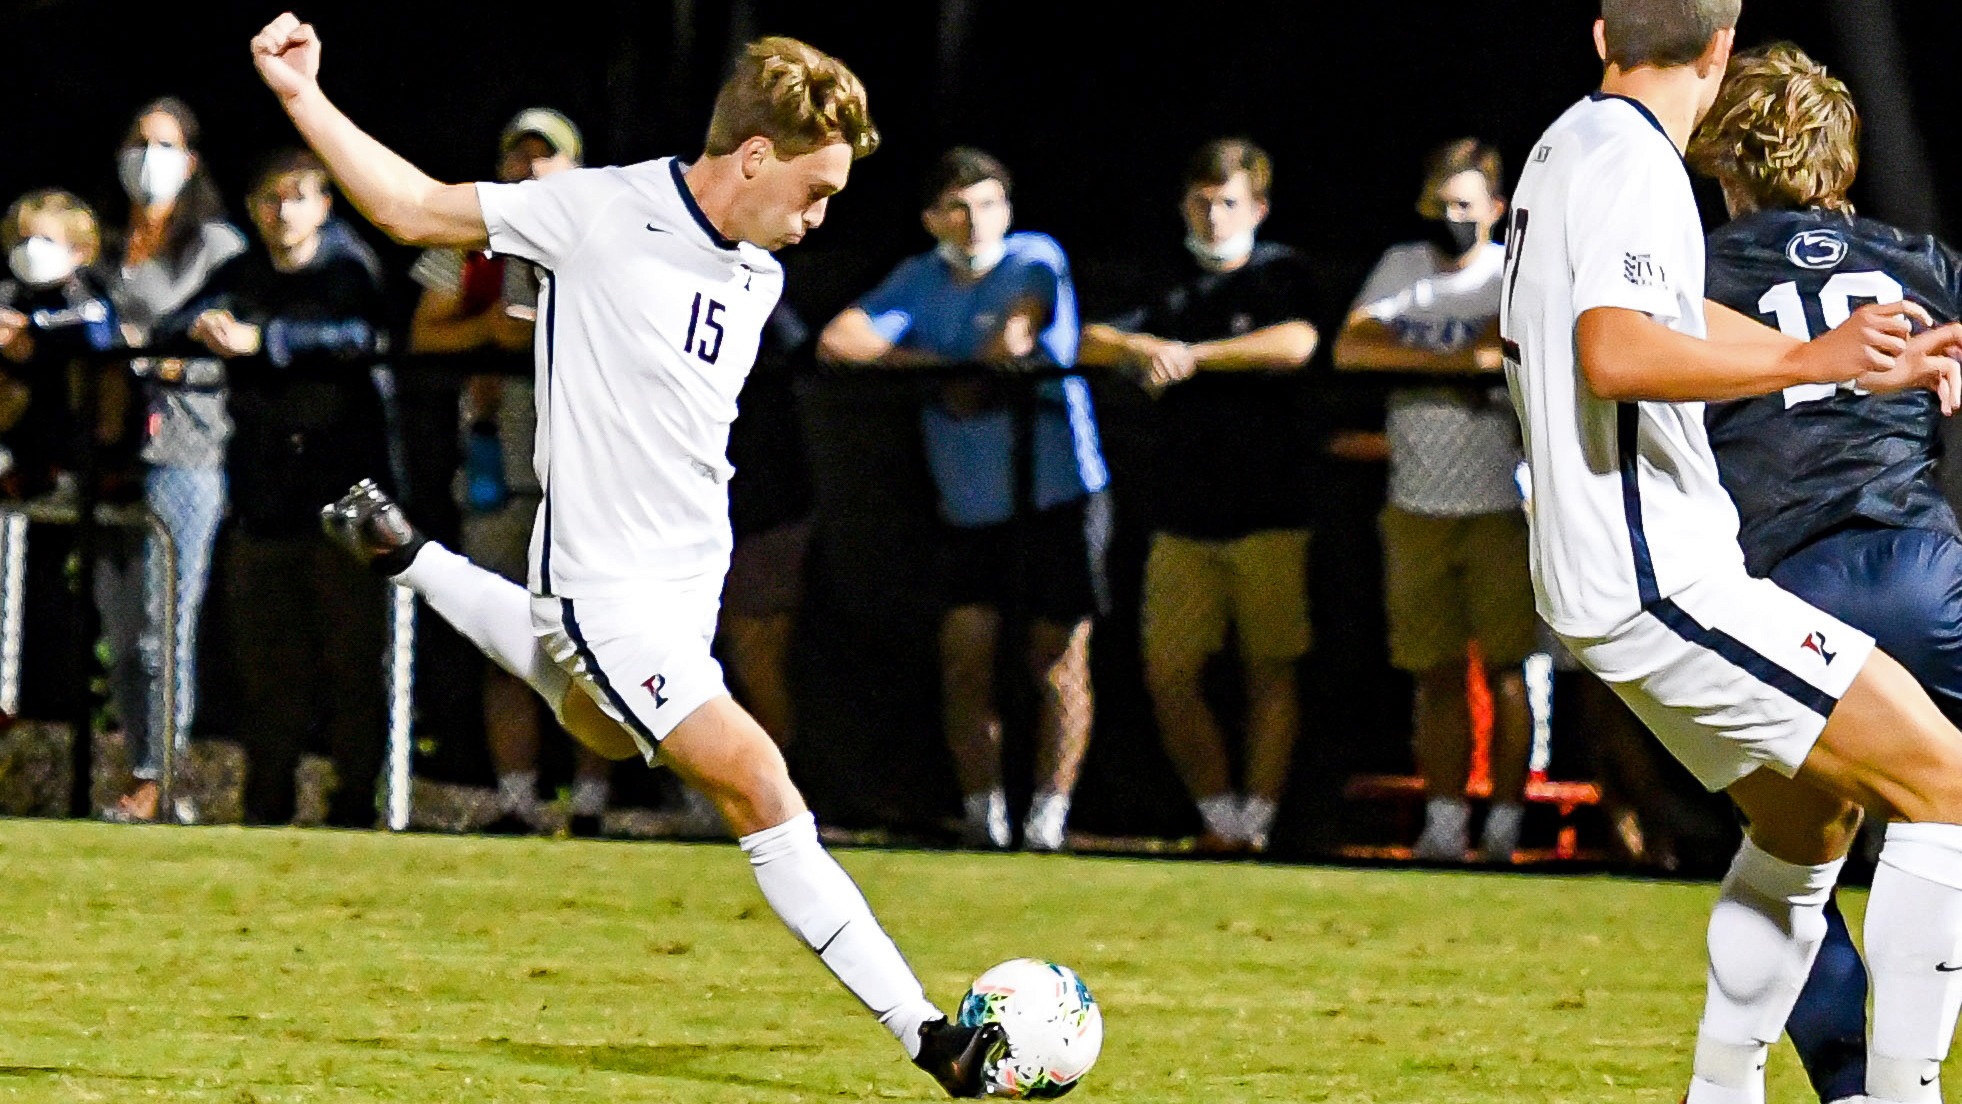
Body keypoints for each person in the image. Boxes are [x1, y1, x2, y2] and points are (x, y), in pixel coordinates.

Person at [249, 15, 1003, 1093]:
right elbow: (411, 208)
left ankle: (409, 558)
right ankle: (932, 1036)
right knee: (759, 783)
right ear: (754, 158)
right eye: (816, 190)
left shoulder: (760, 277)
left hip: (685, 587)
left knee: (593, 724)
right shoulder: (599, 210)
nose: (820, 215)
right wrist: (299, 98)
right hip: (603, 590)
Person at [1503, 4, 1962, 1102]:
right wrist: (1808, 357)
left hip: (1614, 575)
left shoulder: (1569, 142)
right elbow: (1616, 352)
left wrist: (1836, 362)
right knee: (1945, 788)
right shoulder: (1638, 162)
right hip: (1657, 575)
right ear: (1722, 44)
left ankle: (1721, 1088)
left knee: (1808, 822)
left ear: (1603, 30)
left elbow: (1677, 320)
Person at [1689, 42, 1962, 1104]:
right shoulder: (1921, 257)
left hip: (1777, 589)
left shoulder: (1690, 272)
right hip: (1924, 569)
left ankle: (1847, 1089)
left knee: (1796, 850)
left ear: (1726, 169)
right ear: (1840, 167)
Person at [816, 147, 1107, 853]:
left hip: (1059, 497)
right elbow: (841, 341)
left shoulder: (1037, 254)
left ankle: (1048, 817)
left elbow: (1017, 332)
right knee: (966, 657)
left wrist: (988, 364)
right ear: (930, 219)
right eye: (956, 206)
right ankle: (985, 815)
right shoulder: (918, 278)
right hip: (968, 508)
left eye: (987, 204)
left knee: (1056, 660)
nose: (973, 220)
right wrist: (942, 367)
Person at [1077, 138, 1318, 853]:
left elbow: (1299, 343)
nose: (1214, 215)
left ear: (1260, 208)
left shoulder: (1283, 275)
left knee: (1269, 670)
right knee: (1169, 674)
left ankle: (1261, 825)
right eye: (1202, 201)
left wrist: (1192, 358)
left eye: (1229, 202)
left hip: (1273, 512)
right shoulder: (1161, 278)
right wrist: (1137, 349)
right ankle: (1220, 820)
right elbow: (1085, 338)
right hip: (1178, 516)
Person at [405, 106, 612, 836]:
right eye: (518, 157)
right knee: (505, 637)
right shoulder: (469, 244)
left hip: (587, 471)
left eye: (546, 157)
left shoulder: (603, 239)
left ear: (575, 167)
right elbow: (423, 332)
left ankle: (590, 805)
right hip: (496, 465)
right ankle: (517, 798)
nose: (530, 171)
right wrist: (487, 334)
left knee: (593, 641)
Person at [177, 147, 393, 828]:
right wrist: (199, 330)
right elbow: (177, 322)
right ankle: (264, 807)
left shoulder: (348, 267)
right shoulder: (240, 271)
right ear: (252, 208)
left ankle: (355, 804)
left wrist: (264, 340)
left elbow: (359, 334)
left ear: (324, 205)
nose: (284, 211)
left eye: (299, 196)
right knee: (266, 670)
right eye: (271, 197)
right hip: (264, 503)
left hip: (348, 500)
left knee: (355, 664)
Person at [1333, 138, 1536, 863]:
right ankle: (1445, 823)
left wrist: (1426, 359)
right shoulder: (1402, 268)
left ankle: (1507, 824)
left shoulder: (1510, 270)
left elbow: (1499, 355)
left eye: (1465, 206)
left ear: (1497, 210)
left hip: (1496, 505)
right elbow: (1352, 349)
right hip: (1415, 505)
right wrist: (1452, 365)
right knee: (1435, 674)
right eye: (1440, 205)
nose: (1451, 218)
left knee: (1509, 671)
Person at [96, 97, 248, 824]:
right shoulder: (96, 245)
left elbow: (227, 347)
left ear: (191, 162)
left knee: (166, 626)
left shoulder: (216, 249)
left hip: (184, 452)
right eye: (138, 141)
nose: (148, 157)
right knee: (121, 634)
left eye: (165, 144)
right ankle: (136, 767)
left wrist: (158, 355)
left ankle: (161, 776)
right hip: (109, 456)